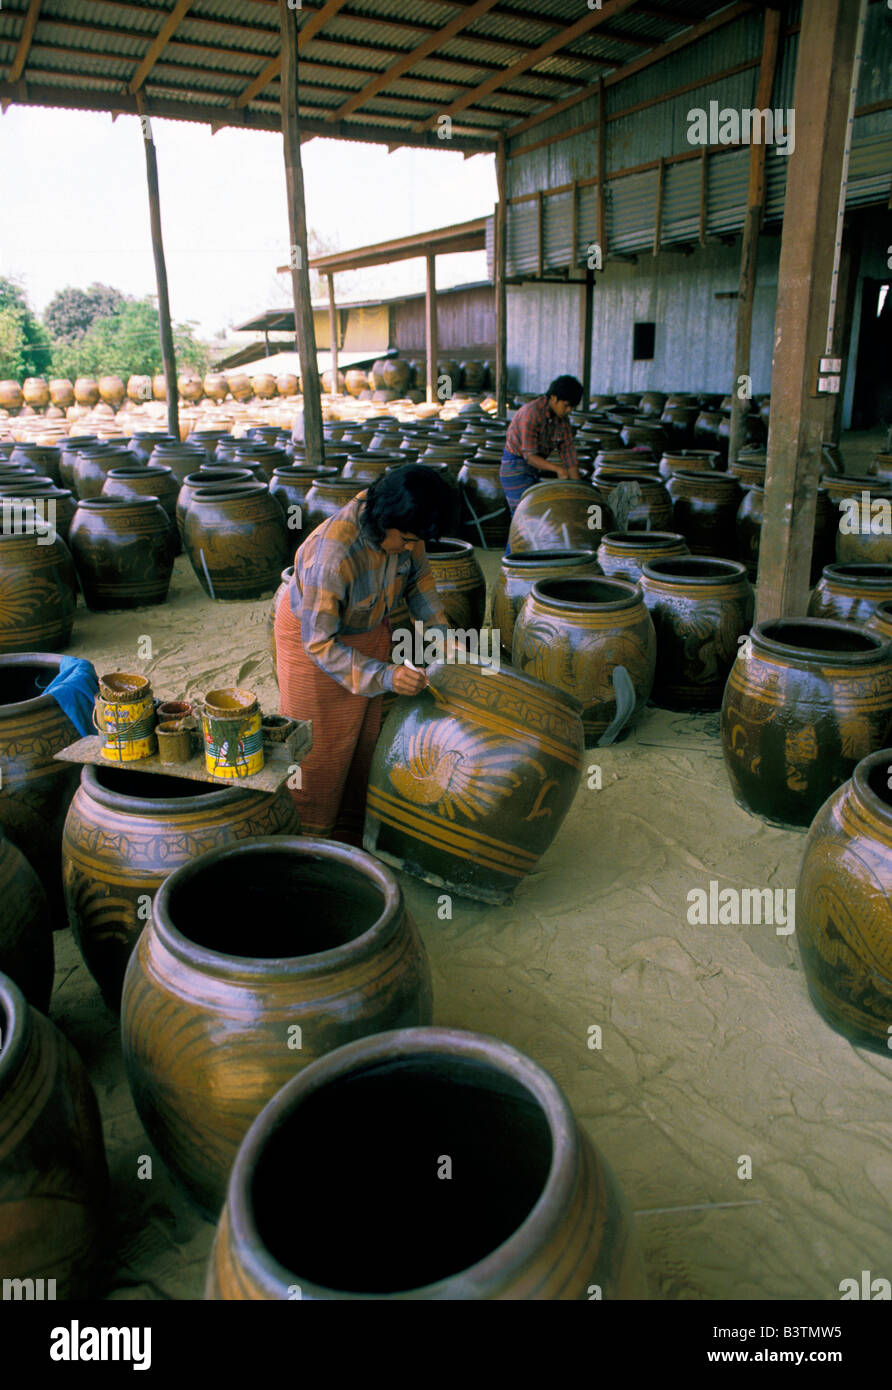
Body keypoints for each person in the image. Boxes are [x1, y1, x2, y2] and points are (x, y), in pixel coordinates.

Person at [275, 464, 457, 845]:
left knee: (363, 744)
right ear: (383, 520)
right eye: (406, 539)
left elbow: (419, 581)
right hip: (314, 642)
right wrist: (387, 675)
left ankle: (350, 839)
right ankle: (309, 845)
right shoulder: (335, 551)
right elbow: (320, 643)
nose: (410, 547)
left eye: (416, 540)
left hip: (368, 627)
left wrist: (442, 635)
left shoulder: (409, 528)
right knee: (320, 752)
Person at [500, 375, 584, 517]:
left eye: (572, 407)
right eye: (566, 405)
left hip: (534, 468)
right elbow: (530, 457)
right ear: (553, 398)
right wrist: (557, 469)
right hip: (514, 466)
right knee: (524, 517)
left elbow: (569, 457)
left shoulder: (562, 421)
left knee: (540, 517)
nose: (569, 410)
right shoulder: (531, 413)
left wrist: (579, 491)